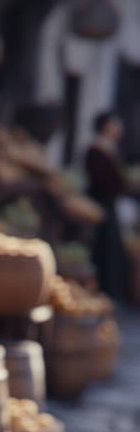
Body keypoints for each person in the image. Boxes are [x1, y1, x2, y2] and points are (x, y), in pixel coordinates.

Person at [85, 111, 129, 300]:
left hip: (108, 204)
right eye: (115, 124)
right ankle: (102, 290)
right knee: (103, 248)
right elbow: (106, 181)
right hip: (100, 204)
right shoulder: (96, 150)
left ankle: (110, 293)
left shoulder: (110, 149)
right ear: (106, 127)